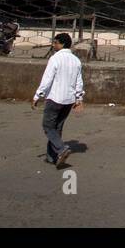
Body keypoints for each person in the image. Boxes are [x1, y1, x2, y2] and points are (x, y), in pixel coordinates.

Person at [32, 33, 83, 169]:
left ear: (62, 44)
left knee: (48, 126)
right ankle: (52, 157)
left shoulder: (55, 59)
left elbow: (47, 79)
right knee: (57, 127)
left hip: (55, 98)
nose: (54, 45)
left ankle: (61, 149)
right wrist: (79, 98)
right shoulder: (76, 60)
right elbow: (79, 82)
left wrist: (38, 95)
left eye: (55, 43)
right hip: (68, 99)